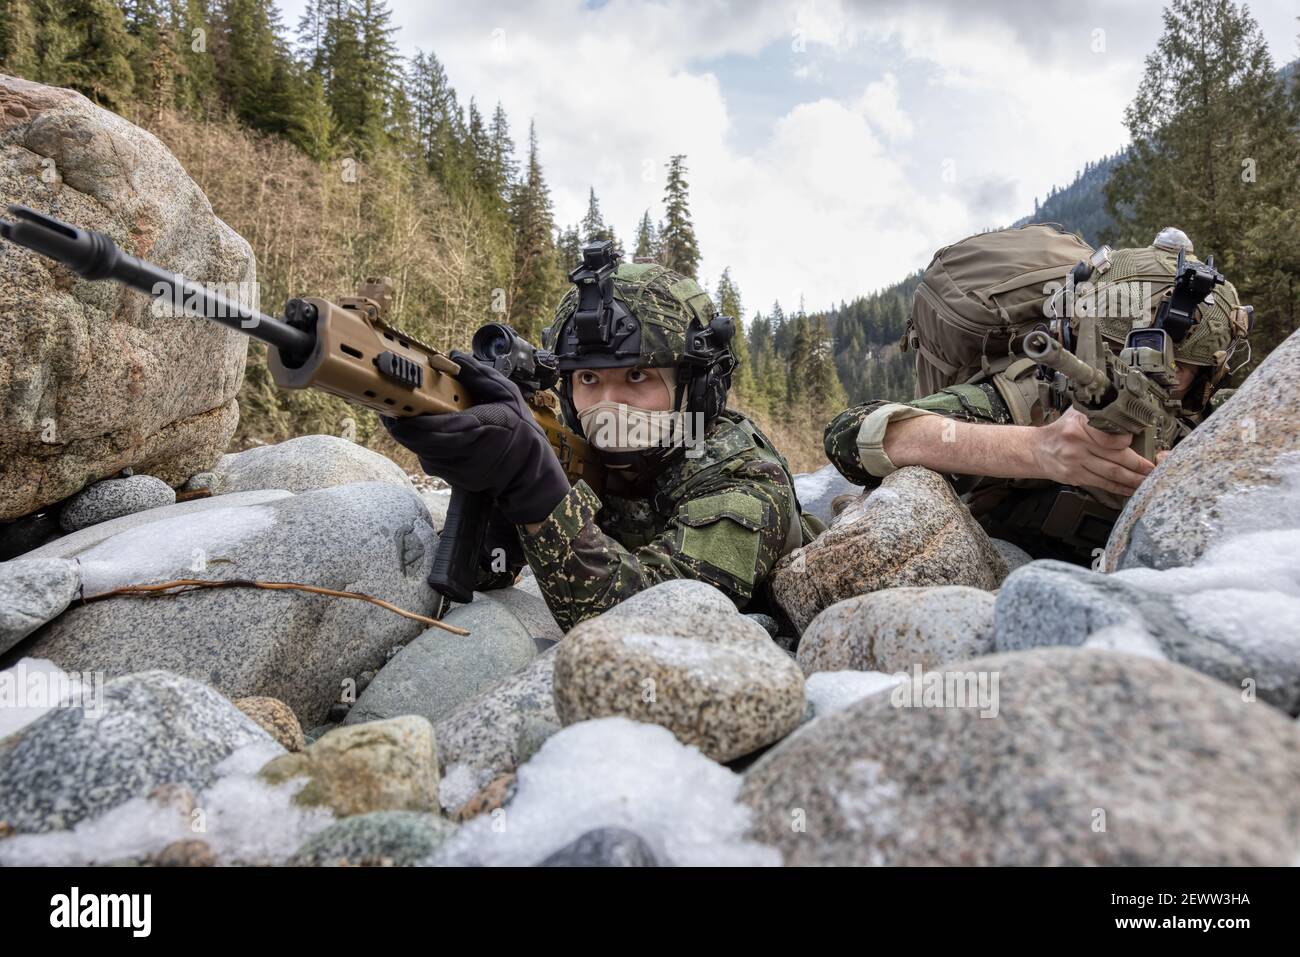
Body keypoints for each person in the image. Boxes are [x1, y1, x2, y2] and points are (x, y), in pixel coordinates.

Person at [383, 244, 816, 631]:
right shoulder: (571, 446)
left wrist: (535, 490)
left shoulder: (744, 479)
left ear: (697, 387)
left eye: (636, 375)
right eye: (588, 377)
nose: (607, 404)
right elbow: (487, 579)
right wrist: (492, 483)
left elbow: (644, 625)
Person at [823, 230, 1252, 565]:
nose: (1147, 379)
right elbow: (851, 433)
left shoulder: (1211, 418)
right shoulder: (1033, 394)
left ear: (1205, 379)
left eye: (1175, 373)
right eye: (1118, 358)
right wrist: (1037, 448)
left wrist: (1195, 472)